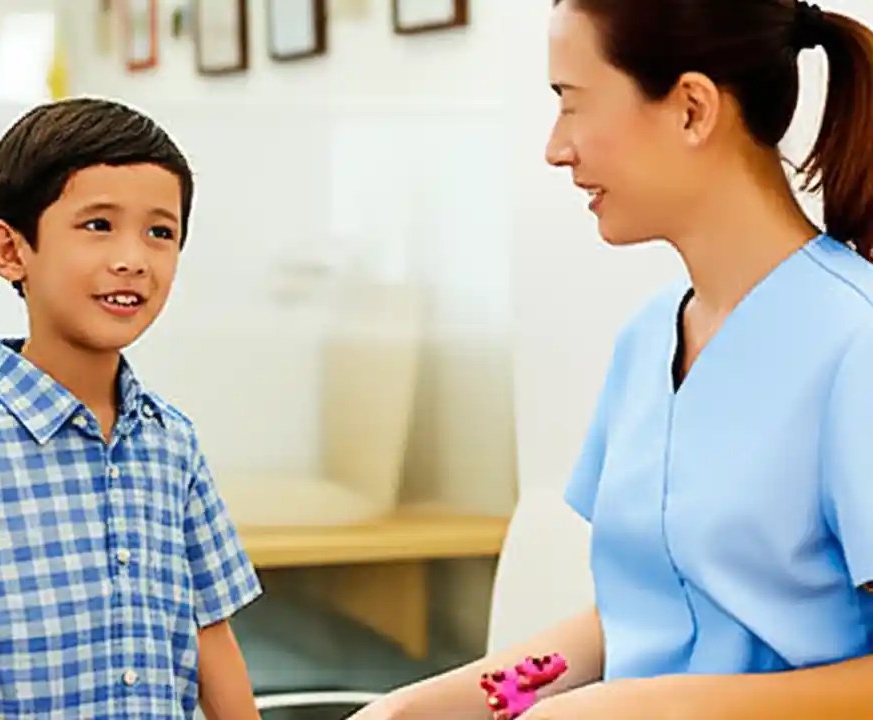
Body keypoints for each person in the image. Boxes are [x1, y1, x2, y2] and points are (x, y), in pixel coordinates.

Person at [352, 1, 873, 719]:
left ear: (691, 108)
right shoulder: (649, 337)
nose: (554, 148)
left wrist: (651, 708)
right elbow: (633, 617)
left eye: (571, 104)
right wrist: (437, 706)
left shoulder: (857, 343)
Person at [0, 98, 264, 720]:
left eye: (161, 232)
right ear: (10, 251)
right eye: (99, 225)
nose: (132, 257)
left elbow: (212, 634)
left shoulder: (174, 444)